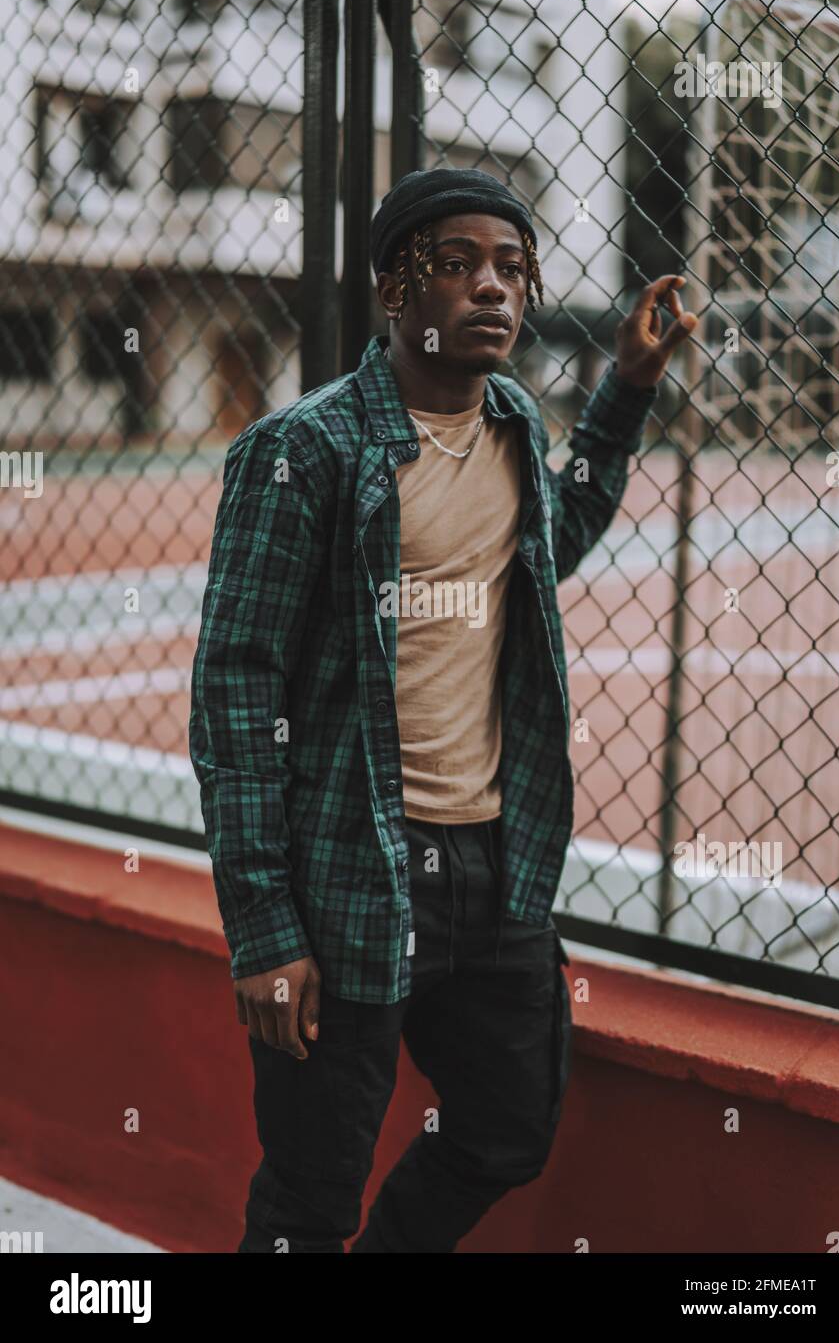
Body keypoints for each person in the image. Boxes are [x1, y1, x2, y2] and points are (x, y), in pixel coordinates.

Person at [188, 166, 698, 1253]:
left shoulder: (511, 423)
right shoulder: (302, 452)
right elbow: (235, 694)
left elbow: (550, 537)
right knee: (309, 1192)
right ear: (395, 287)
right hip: (347, 875)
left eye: (511, 269)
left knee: (506, 1128)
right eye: (457, 264)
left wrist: (626, 388)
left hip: (489, 867)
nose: (491, 290)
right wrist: (265, 932)